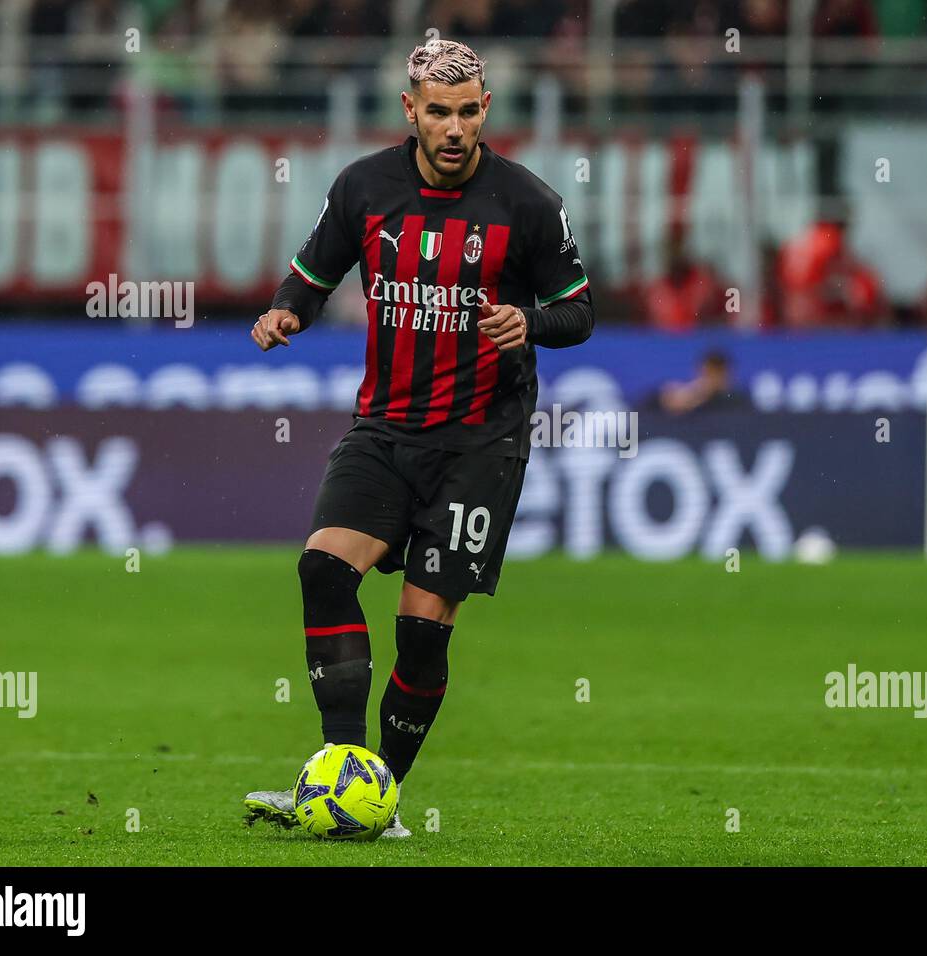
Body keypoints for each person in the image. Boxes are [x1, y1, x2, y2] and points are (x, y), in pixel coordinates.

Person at [242, 39, 593, 837]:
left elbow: (579, 310)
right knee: (324, 568)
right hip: (385, 429)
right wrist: (287, 308)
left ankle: (382, 797)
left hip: (480, 446)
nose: (454, 128)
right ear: (411, 110)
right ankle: (340, 775)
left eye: (468, 111)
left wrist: (529, 321)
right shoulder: (364, 187)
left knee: (421, 632)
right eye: (439, 112)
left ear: (486, 109)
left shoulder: (528, 204)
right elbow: (315, 270)